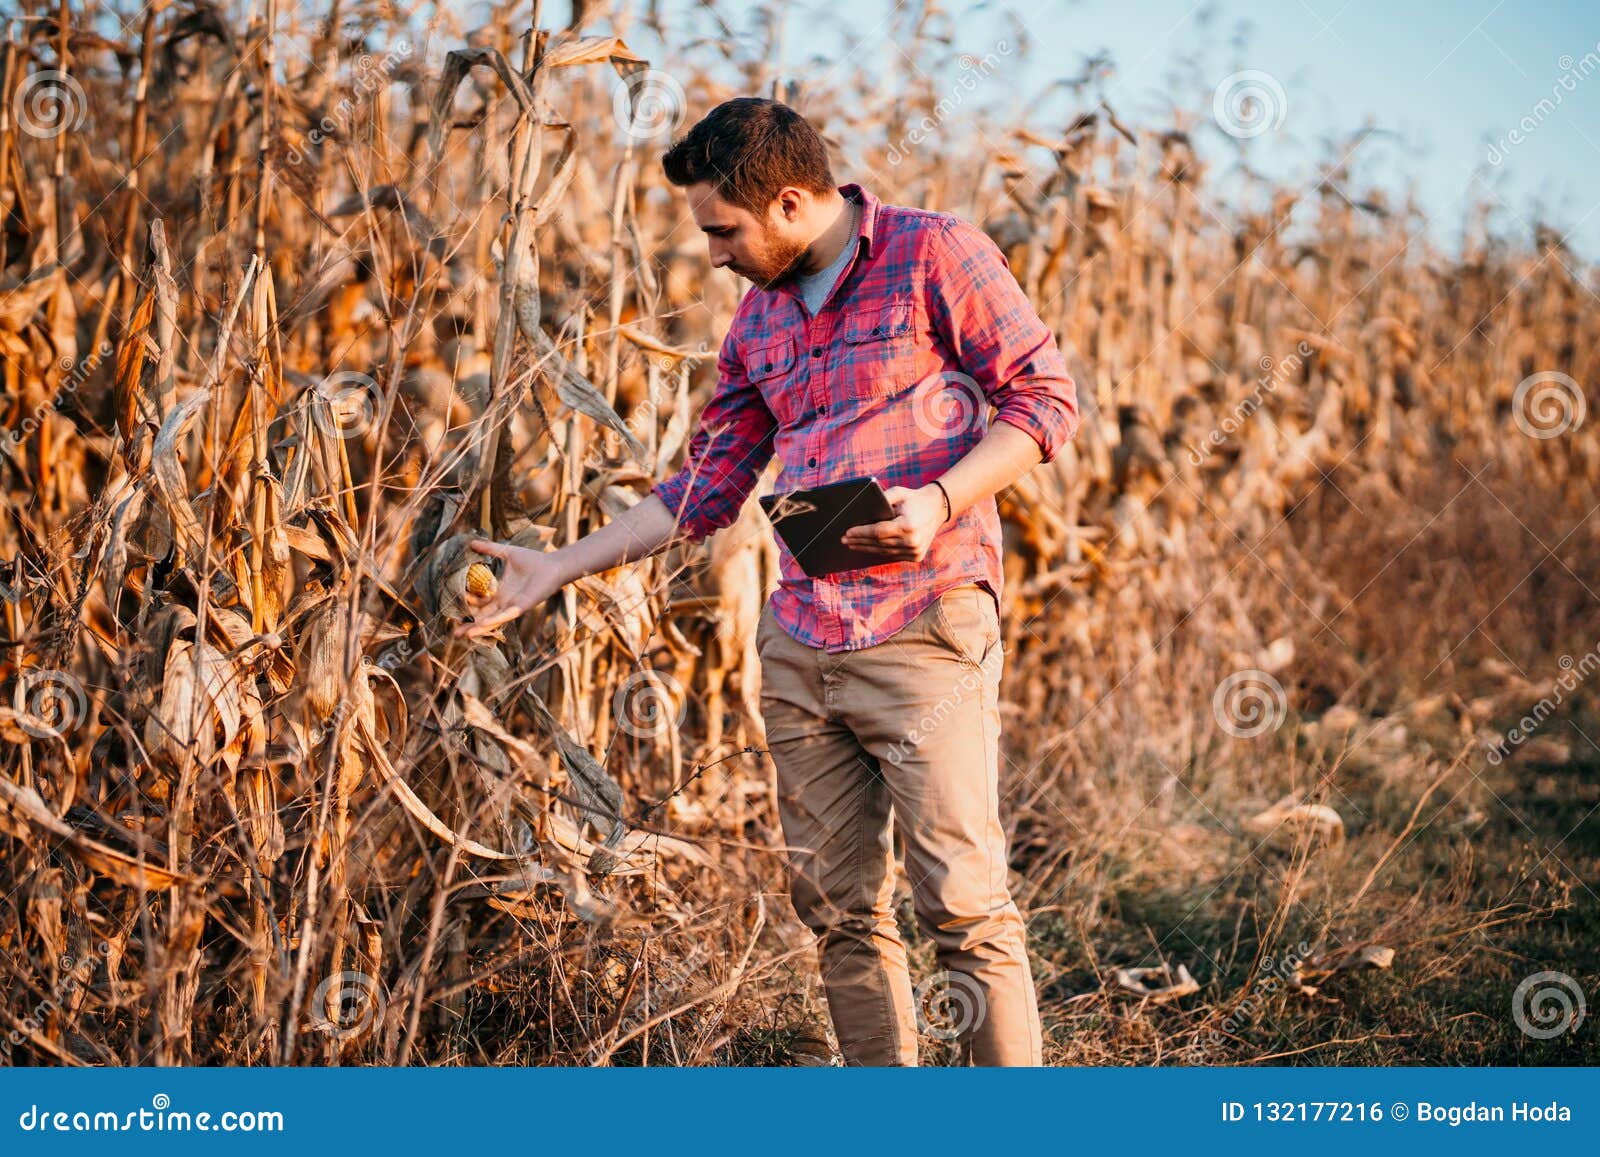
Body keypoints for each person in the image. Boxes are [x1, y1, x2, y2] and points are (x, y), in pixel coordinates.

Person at [456, 97, 1079, 1065]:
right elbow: (704, 490)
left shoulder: (932, 255)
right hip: (800, 646)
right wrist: (557, 566)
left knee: (961, 903)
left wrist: (940, 498)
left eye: (721, 229)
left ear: (789, 203)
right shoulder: (756, 323)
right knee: (836, 910)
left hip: (924, 624)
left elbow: (1043, 397)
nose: (711, 254)